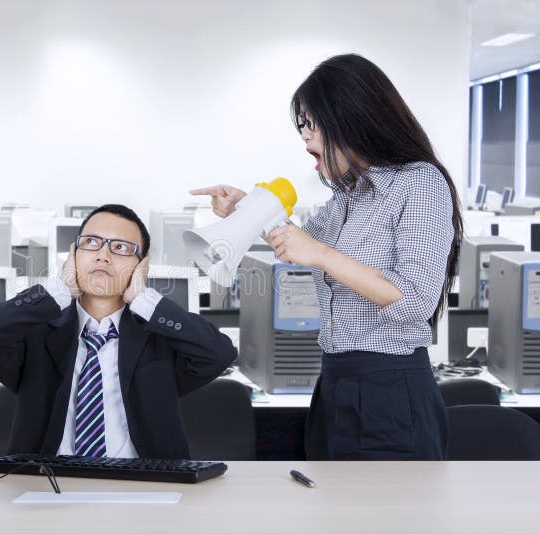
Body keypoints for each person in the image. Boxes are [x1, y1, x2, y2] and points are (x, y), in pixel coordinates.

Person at [192, 54, 463, 460]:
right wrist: (245, 207)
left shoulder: (419, 183)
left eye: (311, 124)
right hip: (335, 381)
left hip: (390, 388)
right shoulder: (346, 198)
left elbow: (416, 300)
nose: (305, 138)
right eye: (302, 125)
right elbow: (295, 241)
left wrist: (321, 254)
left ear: (351, 117)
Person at [0, 204, 237, 459]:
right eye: (91, 242)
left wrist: (143, 300)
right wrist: (59, 290)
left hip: (144, 479)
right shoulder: (36, 333)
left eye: (121, 247)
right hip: (46, 478)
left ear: (142, 264)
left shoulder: (159, 338)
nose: (103, 255)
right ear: (73, 254)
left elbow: (219, 354)